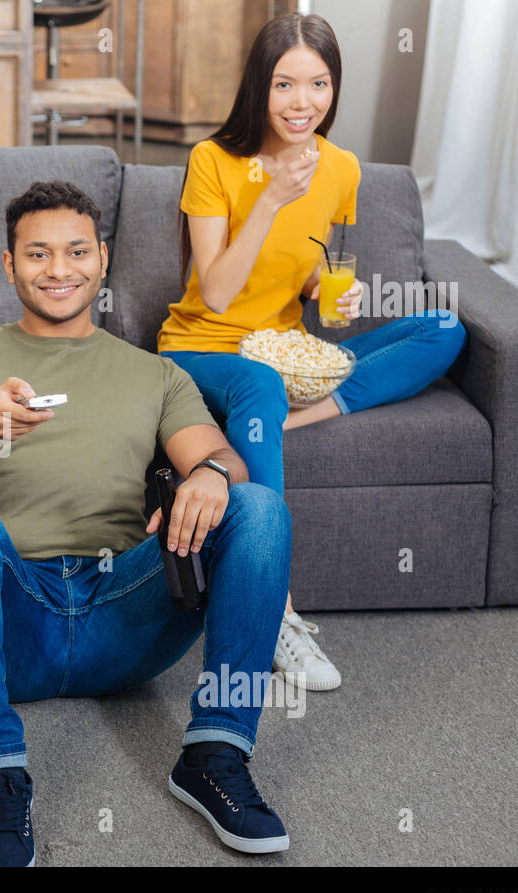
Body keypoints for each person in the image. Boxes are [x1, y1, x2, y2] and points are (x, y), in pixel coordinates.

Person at [0, 181, 294, 867]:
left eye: (76, 251)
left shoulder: (157, 374)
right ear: (8, 266)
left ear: (103, 259)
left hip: (125, 612)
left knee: (258, 504)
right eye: (38, 254)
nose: (59, 269)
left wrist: (208, 474)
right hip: (12, 620)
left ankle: (216, 753)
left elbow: (223, 458)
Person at [158, 12, 466, 689]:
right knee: (260, 387)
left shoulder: (342, 170)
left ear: (334, 87)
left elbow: (322, 272)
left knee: (443, 328)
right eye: (285, 85)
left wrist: (333, 299)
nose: (303, 103)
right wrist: (267, 201)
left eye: (319, 84)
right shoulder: (214, 162)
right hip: (202, 349)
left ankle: (304, 415)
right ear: (258, 89)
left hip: (284, 350)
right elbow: (214, 292)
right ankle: (277, 615)